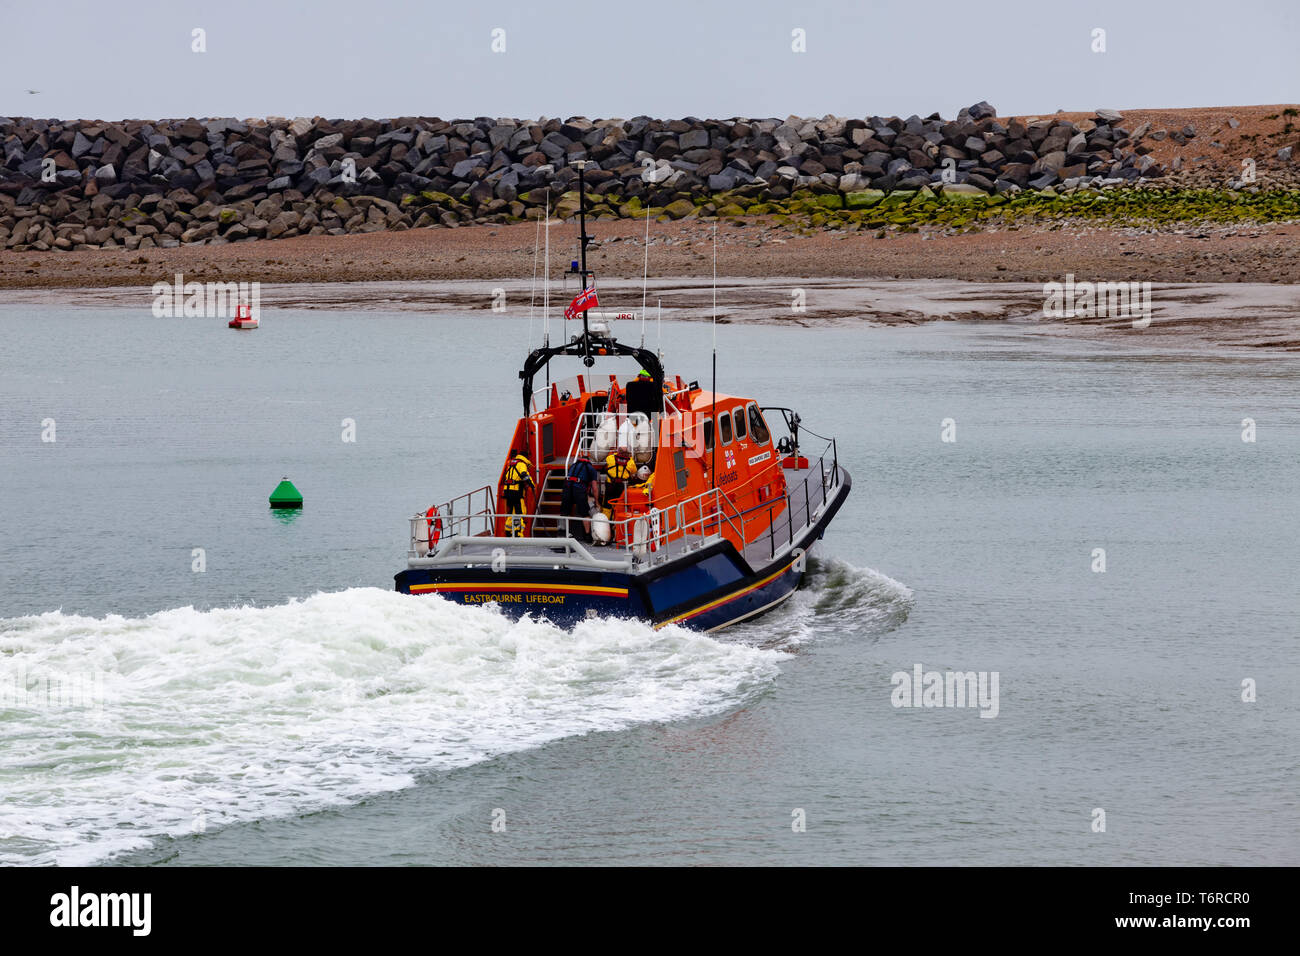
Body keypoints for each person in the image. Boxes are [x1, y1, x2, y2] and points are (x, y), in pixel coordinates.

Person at [561, 450, 600, 542]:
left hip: (567, 488)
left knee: (564, 512)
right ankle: (587, 536)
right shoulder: (591, 469)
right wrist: (597, 502)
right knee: (585, 514)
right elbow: (595, 488)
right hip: (579, 490)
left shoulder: (573, 466)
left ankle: (562, 533)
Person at [502, 449, 534, 537]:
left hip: (507, 491)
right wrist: (531, 484)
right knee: (520, 512)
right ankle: (518, 533)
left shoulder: (511, 464)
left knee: (512, 511)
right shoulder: (522, 464)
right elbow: (524, 474)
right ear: (526, 457)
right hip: (516, 492)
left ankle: (508, 531)